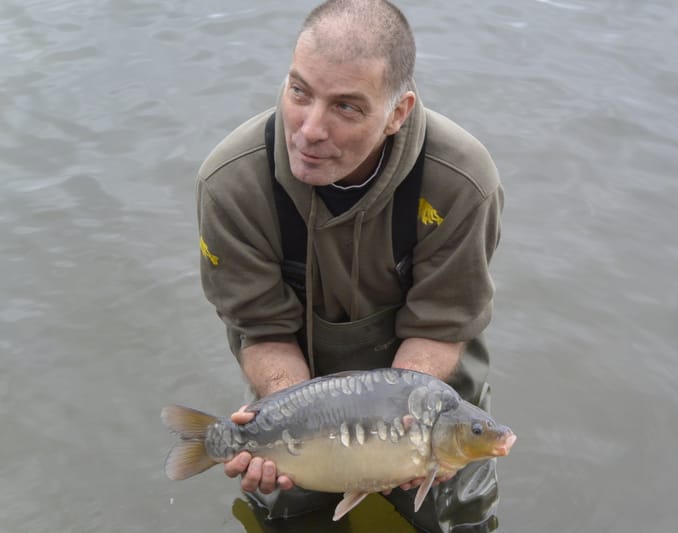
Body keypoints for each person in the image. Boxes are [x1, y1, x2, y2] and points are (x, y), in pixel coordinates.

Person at [195, 1, 503, 531]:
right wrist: (290, 424)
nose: (309, 129)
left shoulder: (462, 182)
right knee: (283, 513)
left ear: (398, 112)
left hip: (424, 403)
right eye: (299, 92)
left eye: (346, 107)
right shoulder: (230, 186)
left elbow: (441, 326)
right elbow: (262, 331)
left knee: (458, 518)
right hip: (296, 395)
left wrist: (402, 431)